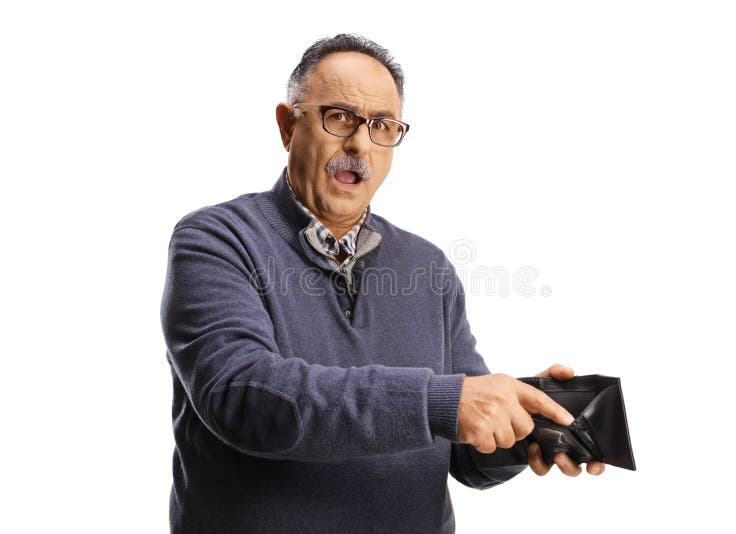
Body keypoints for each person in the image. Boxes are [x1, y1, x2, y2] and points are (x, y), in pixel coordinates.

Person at [160, 33, 604, 534]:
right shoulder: (216, 239)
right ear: (287, 126)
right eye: (339, 117)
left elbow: (461, 452)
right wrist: (441, 402)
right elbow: (244, 395)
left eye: (382, 126)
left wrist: (523, 426)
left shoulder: (429, 267)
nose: (359, 144)